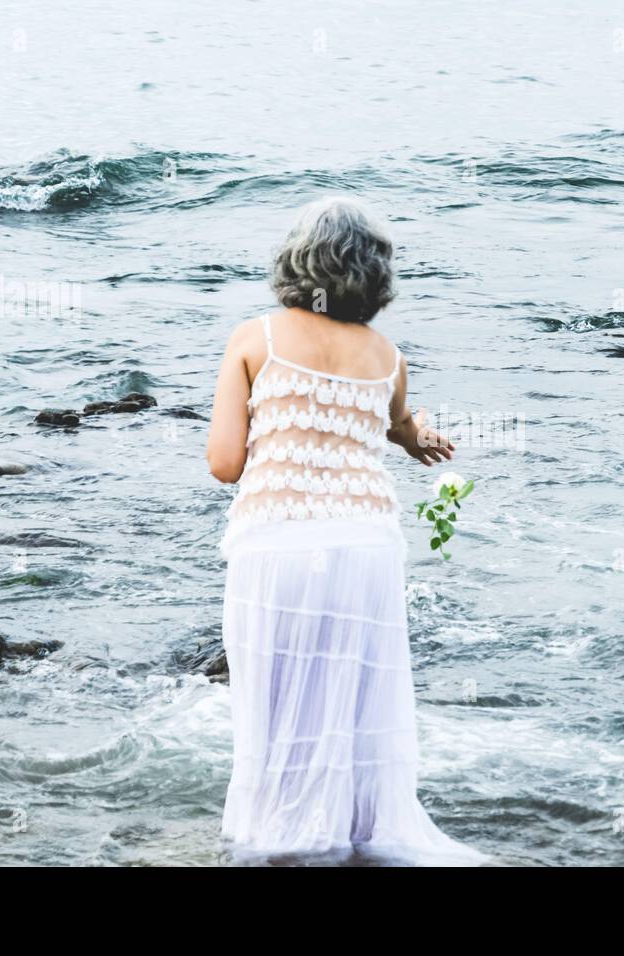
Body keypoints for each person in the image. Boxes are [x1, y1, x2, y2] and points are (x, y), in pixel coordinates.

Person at [205, 196, 487, 864]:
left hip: (277, 543)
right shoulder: (387, 354)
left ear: (296, 262)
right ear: (375, 275)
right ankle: (354, 829)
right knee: (352, 697)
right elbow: (393, 421)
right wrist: (416, 436)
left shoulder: (256, 339)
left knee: (276, 702)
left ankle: (280, 833)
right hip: (366, 546)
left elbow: (224, 464)